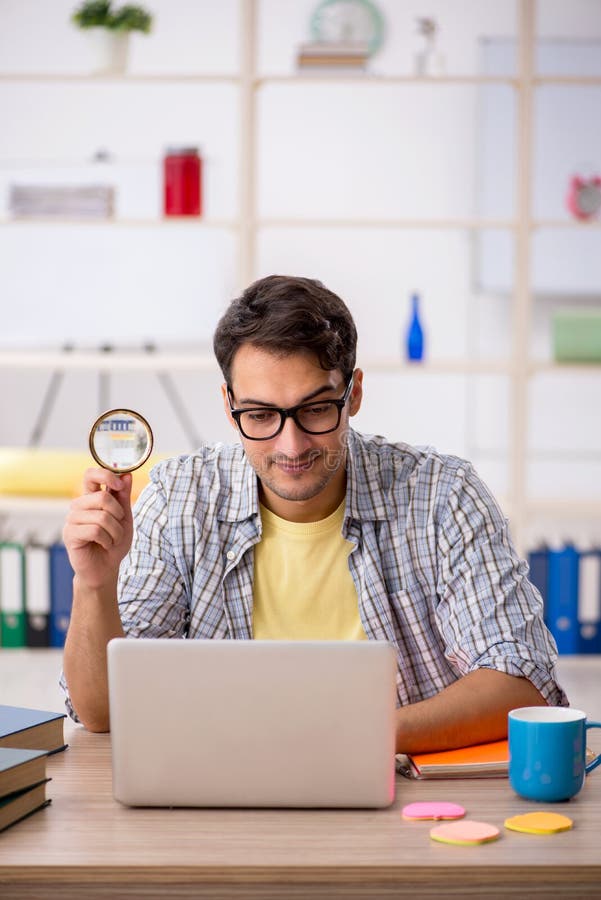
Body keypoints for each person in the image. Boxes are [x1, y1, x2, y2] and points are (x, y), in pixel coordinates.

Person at [62, 274, 567, 747]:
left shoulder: (443, 494)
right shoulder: (180, 497)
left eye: (316, 409)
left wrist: (350, 740)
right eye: (260, 415)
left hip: (401, 806)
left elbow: (522, 683)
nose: (291, 444)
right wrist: (94, 583)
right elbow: (102, 712)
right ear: (228, 404)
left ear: (355, 393)